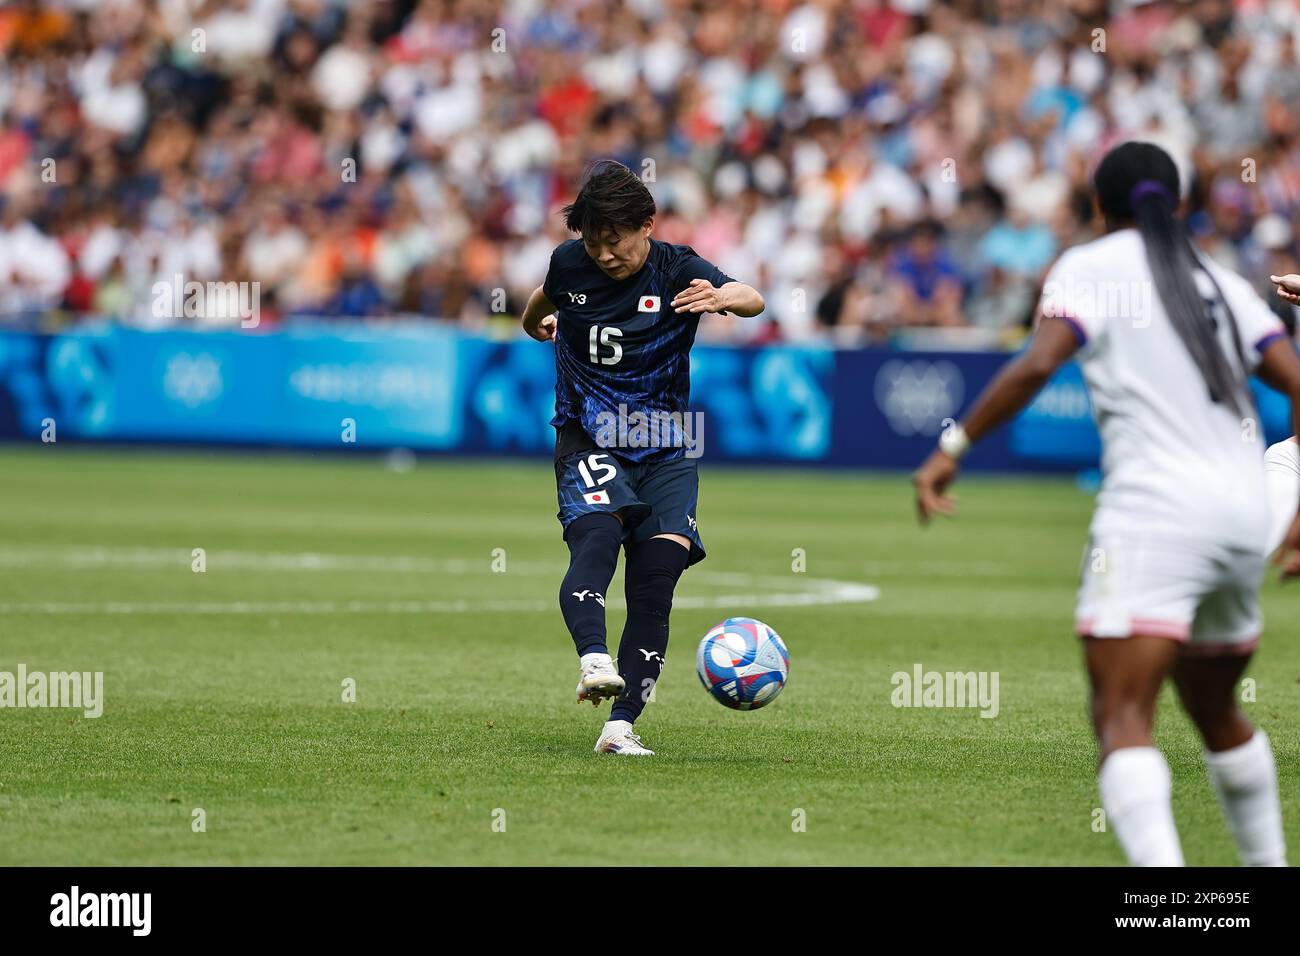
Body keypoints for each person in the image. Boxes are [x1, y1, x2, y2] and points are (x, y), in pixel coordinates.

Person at [913, 140, 1300, 865]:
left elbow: (1037, 364)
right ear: (1180, 204)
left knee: (1123, 716)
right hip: (1245, 508)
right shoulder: (1219, 279)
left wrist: (951, 448)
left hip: (1156, 513)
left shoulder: (1089, 267)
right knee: (1216, 710)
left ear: (1098, 206)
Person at [519, 160, 764, 756]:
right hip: (590, 434)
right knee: (598, 538)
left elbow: (753, 299)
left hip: (667, 446)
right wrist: (537, 324)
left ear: (647, 225)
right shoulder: (568, 264)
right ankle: (594, 659)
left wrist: (722, 296)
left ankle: (620, 726)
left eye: (616, 240)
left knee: (657, 580)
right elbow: (539, 301)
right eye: (594, 241)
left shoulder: (678, 268)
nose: (604, 254)